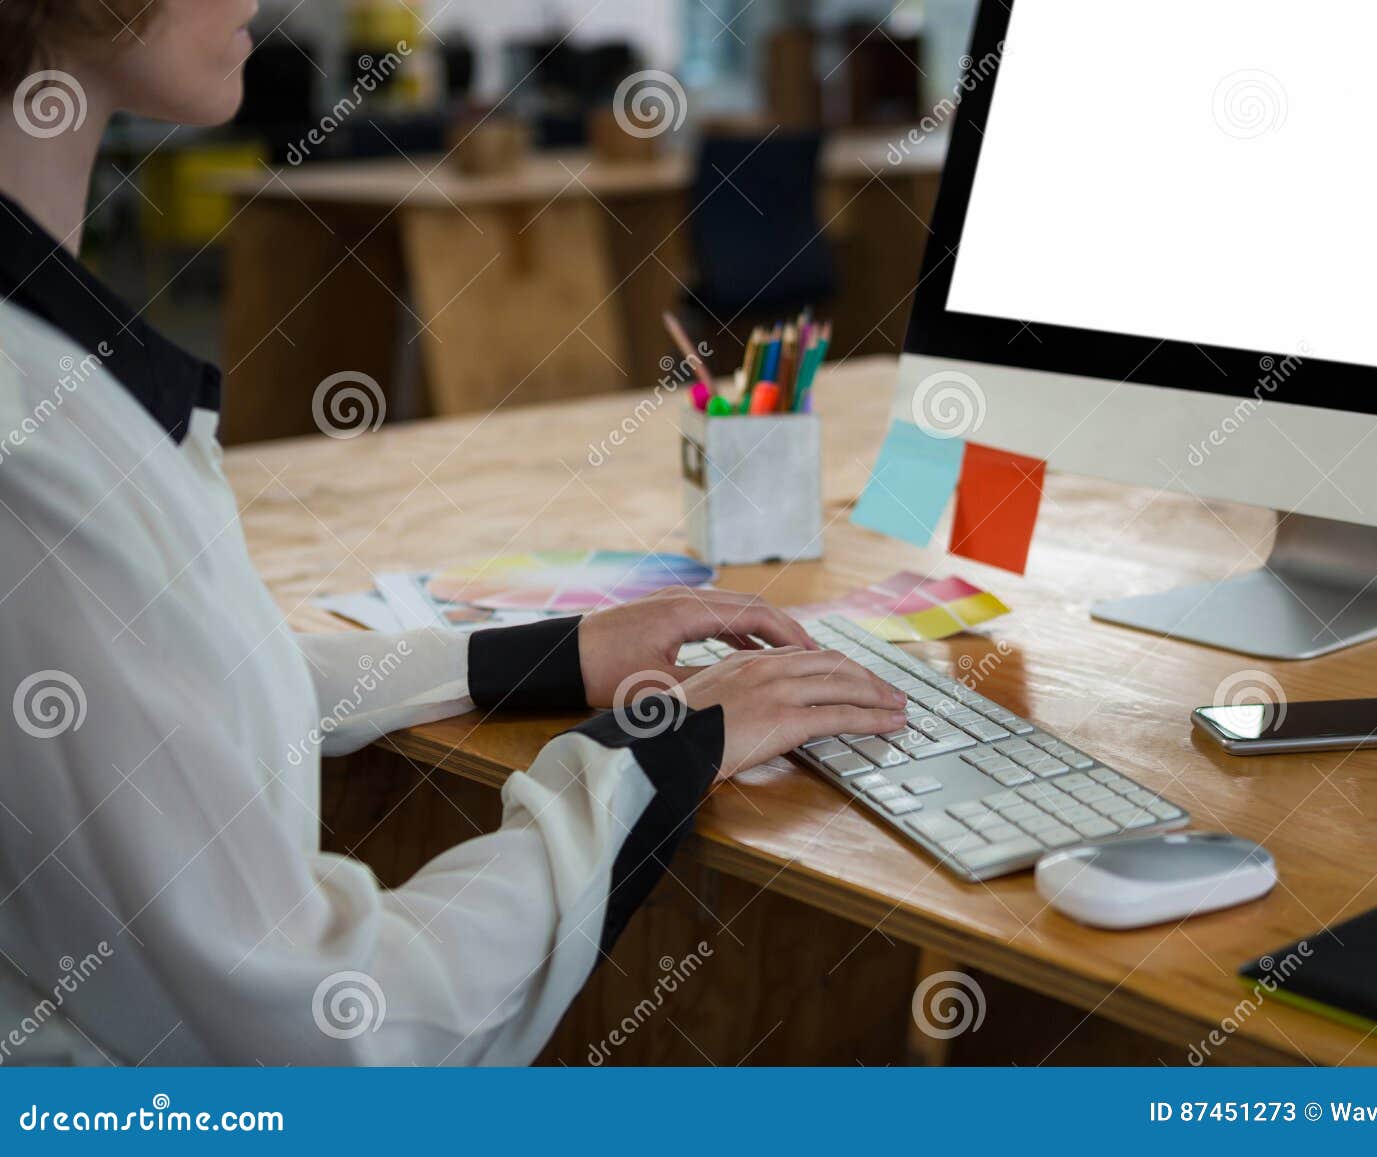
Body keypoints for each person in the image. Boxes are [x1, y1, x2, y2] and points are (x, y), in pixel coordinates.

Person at [0, 0, 906, 1065]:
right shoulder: (33, 448)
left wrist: (541, 653)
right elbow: (341, 1033)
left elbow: (176, 680)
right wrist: (656, 753)